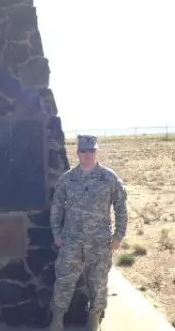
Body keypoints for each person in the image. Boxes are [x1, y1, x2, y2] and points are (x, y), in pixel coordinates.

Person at [49, 135, 128, 331]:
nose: (88, 155)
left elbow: (121, 207)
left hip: (100, 243)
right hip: (71, 241)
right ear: (77, 153)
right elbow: (57, 208)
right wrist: (56, 233)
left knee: (99, 283)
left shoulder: (109, 178)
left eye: (92, 151)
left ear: (96, 152)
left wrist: (118, 235)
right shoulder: (67, 179)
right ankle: (57, 319)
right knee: (64, 281)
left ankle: (94, 318)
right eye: (84, 151)